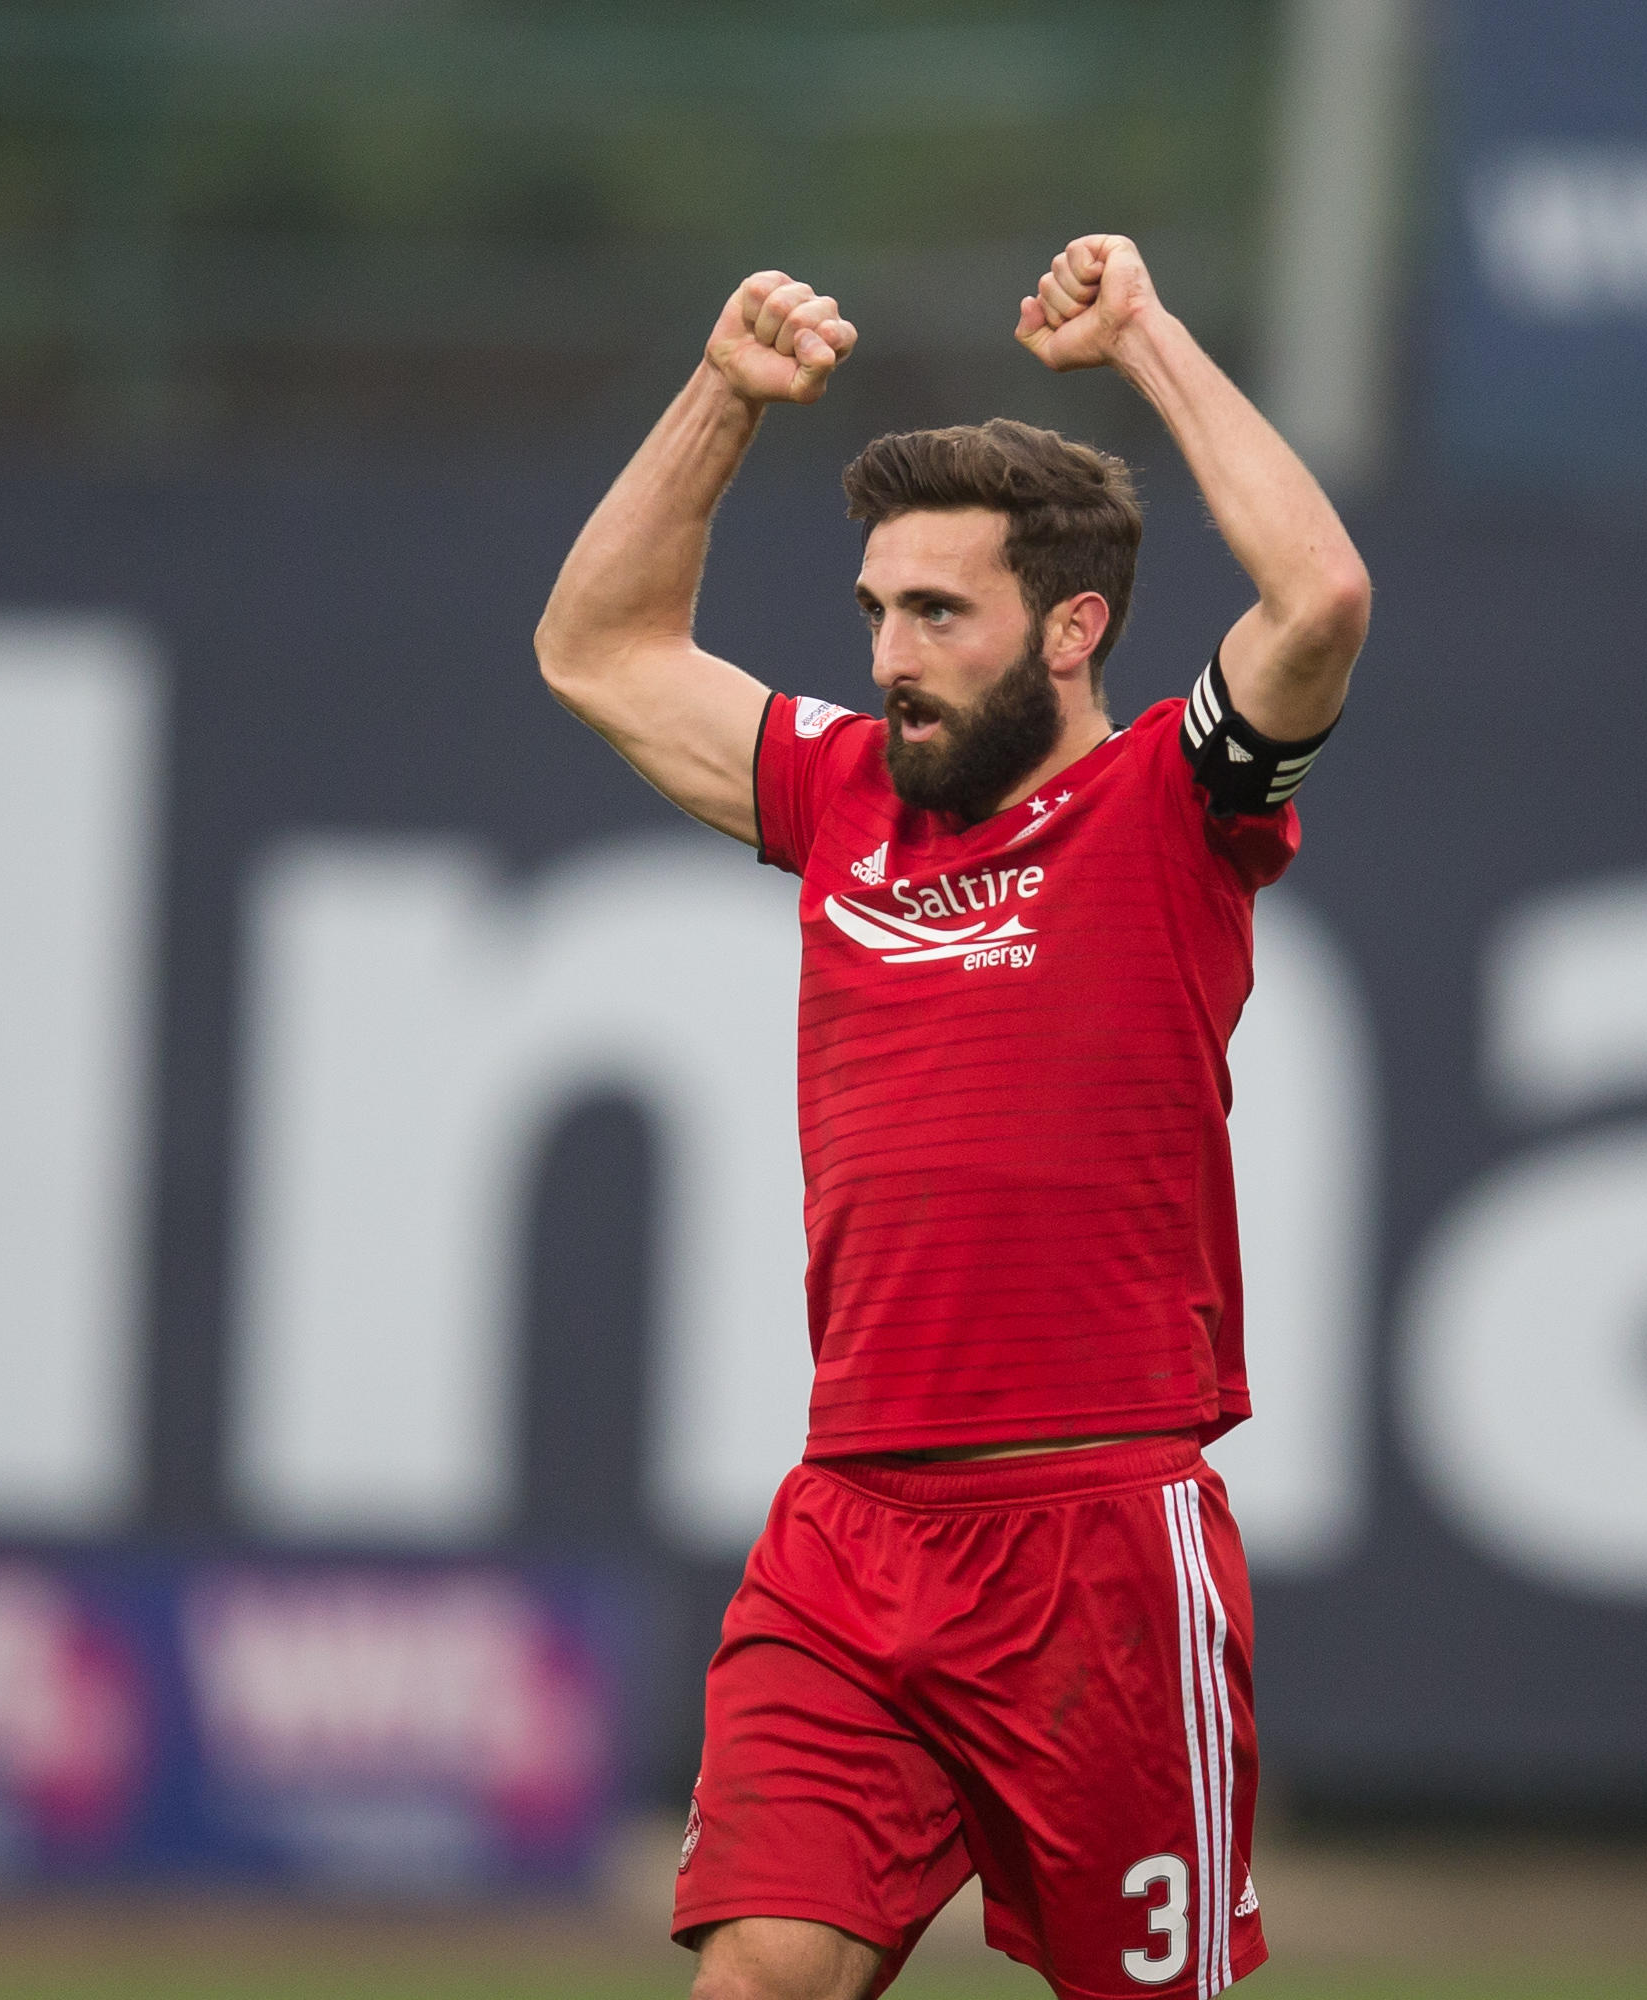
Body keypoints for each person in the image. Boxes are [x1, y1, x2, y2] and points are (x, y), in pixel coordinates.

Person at [535, 233, 1369, 2000]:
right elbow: (599, 647)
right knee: (757, 1980)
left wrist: (1145, 339)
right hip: (849, 1533)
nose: (890, 656)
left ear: (1071, 629)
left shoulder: (1172, 803)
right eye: (875, 612)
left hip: (1094, 1547)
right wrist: (719, 397)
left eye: (937, 613)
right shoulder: (845, 795)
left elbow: (1317, 602)